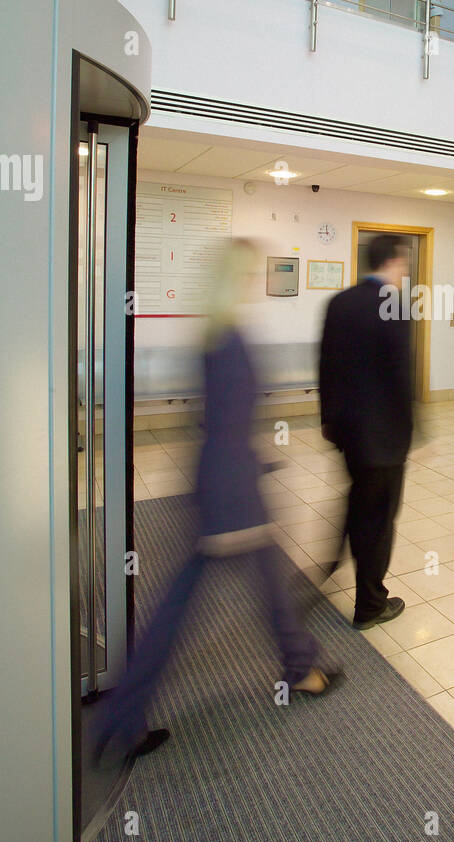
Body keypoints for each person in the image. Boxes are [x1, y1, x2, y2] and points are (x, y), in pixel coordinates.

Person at [95, 240, 338, 764]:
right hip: (233, 494)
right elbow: (226, 424)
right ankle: (300, 670)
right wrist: (248, 478)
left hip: (220, 482)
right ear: (236, 279)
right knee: (218, 602)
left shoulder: (212, 335)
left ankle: (122, 719)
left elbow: (211, 421)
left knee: (187, 606)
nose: (255, 281)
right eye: (249, 273)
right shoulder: (229, 342)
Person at [318, 234, 412, 630]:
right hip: (384, 439)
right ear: (392, 262)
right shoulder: (395, 306)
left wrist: (330, 422)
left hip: (348, 432)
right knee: (379, 520)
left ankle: (330, 563)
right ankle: (371, 604)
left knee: (360, 502)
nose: (405, 272)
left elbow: (324, 366)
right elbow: (400, 378)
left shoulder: (339, 302)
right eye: (403, 264)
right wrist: (410, 436)